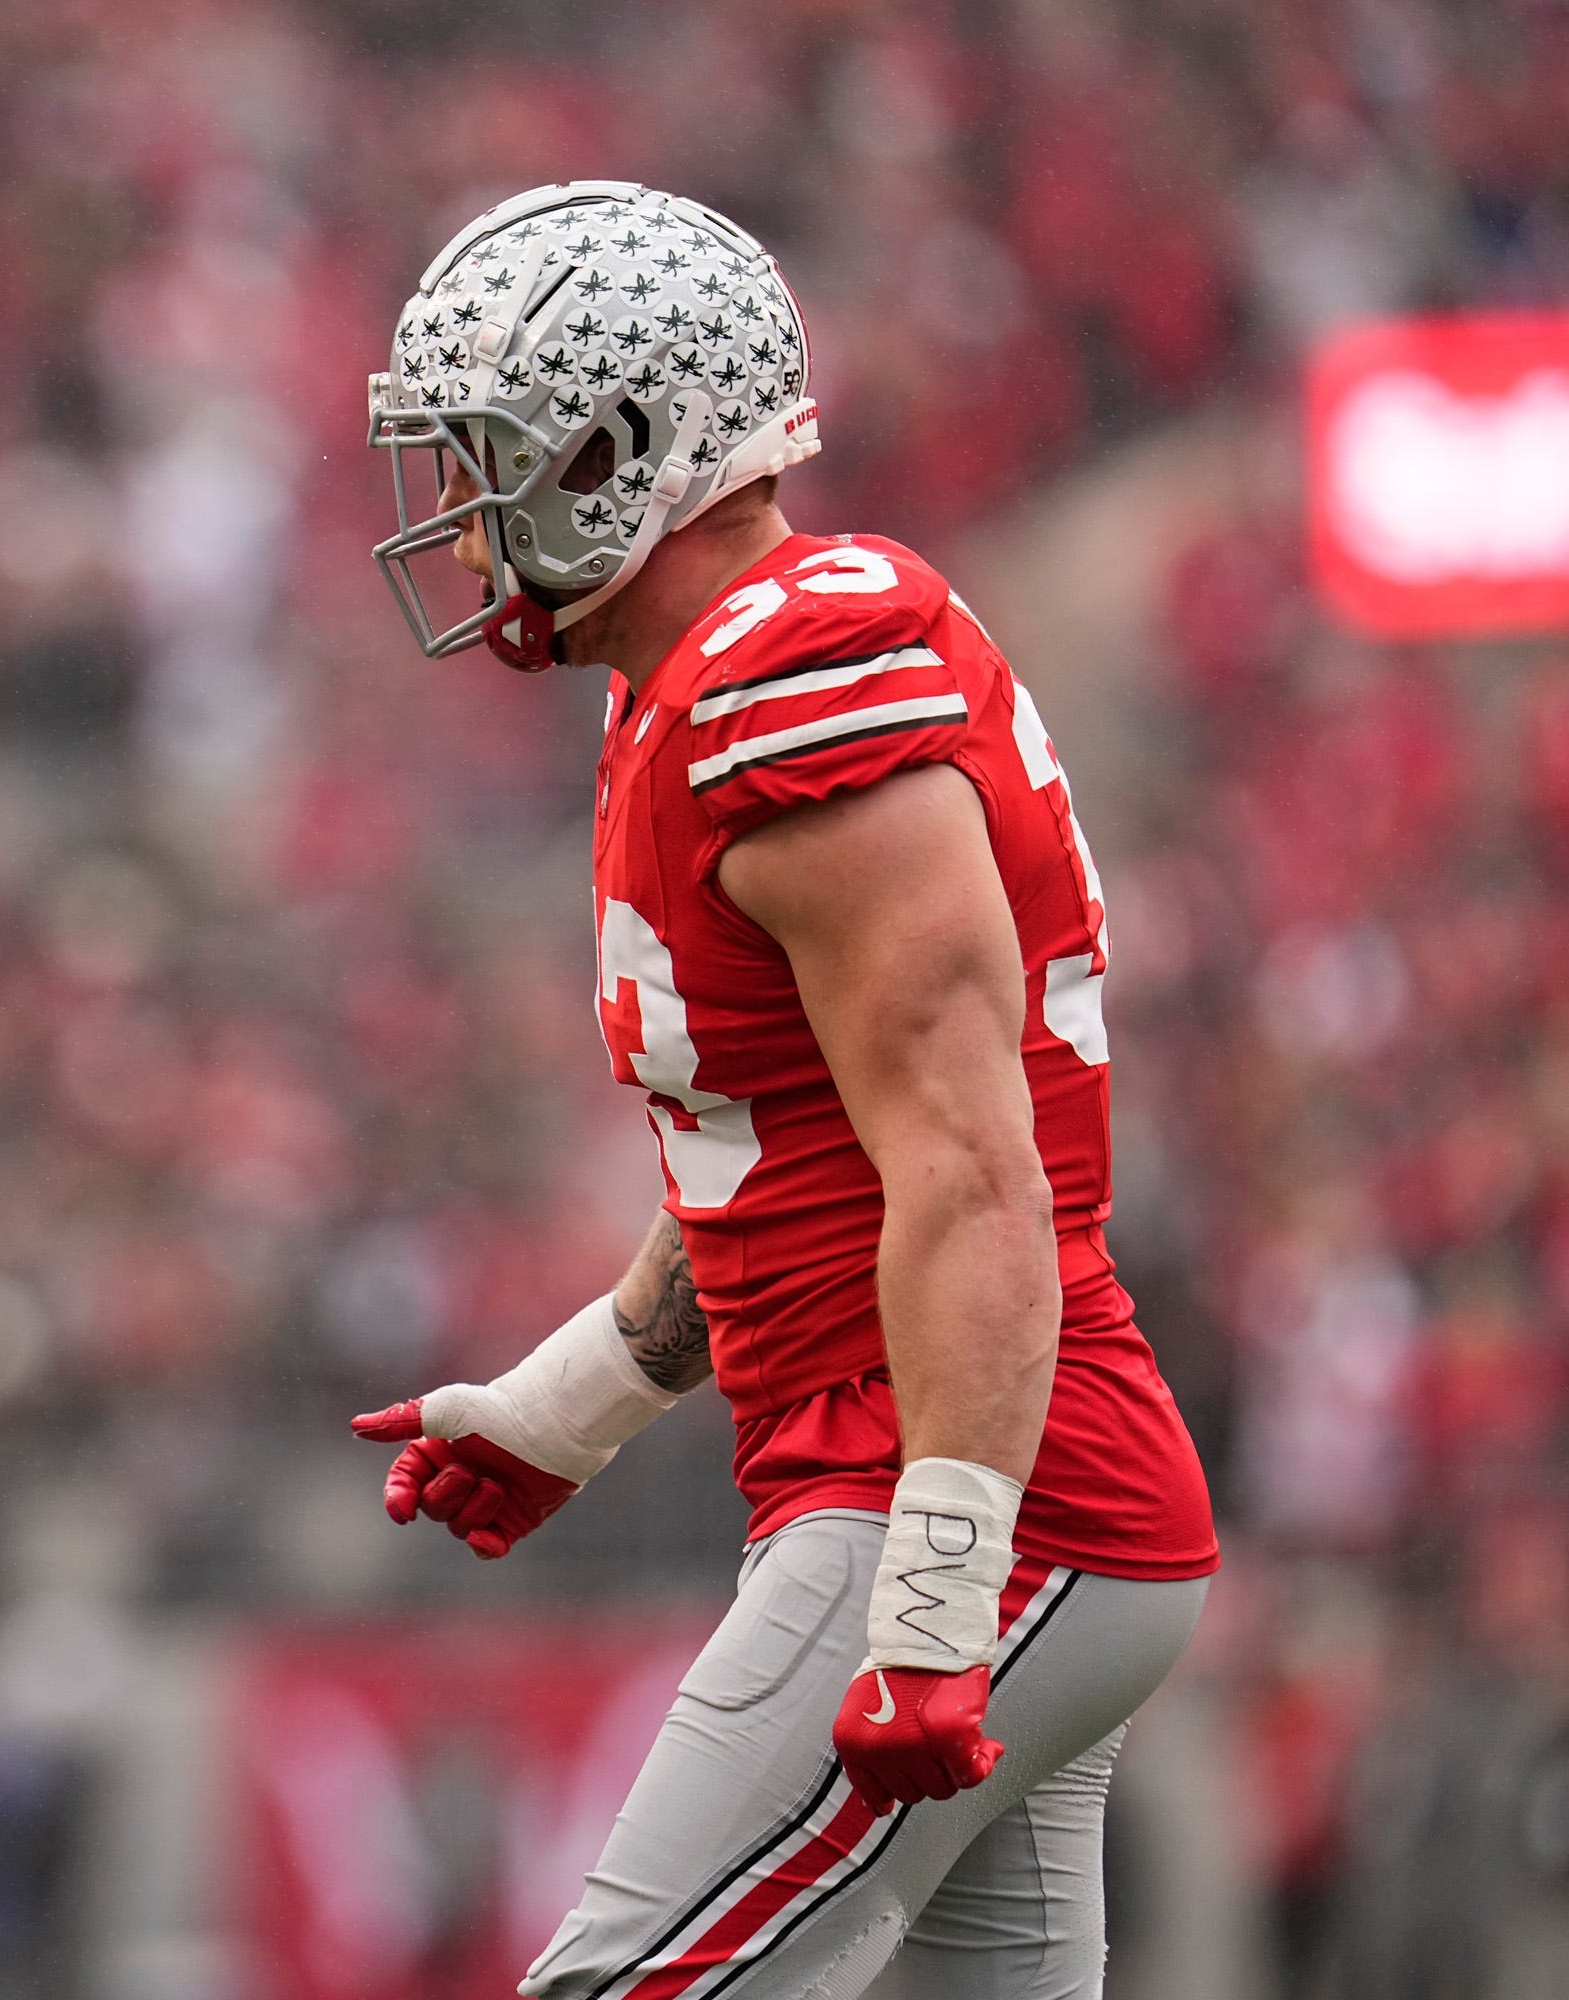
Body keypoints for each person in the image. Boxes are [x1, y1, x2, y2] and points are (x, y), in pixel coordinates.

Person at [348, 182, 1218, 1998]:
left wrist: (934, 1590)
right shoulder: (703, 678)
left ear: (622, 451)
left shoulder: (786, 682)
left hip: (975, 1472)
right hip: (962, 1468)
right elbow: (785, 1159)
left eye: (492, 455)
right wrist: (567, 1403)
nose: (459, 514)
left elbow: (973, 1171)